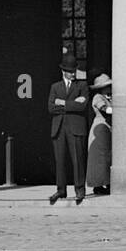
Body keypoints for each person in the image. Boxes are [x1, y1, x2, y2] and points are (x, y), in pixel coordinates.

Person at [48, 51, 90, 205]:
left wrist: (63, 103)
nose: (73, 74)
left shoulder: (82, 85)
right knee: (60, 160)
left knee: (77, 159)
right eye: (70, 72)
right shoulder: (55, 87)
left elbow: (83, 106)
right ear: (63, 71)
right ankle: (61, 190)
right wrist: (72, 104)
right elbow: (51, 108)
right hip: (59, 128)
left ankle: (80, 190)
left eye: (74, 71)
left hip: (75, 128)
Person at [85, 73, 113, 196]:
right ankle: (98, 184)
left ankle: (107, 183)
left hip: (108, 129)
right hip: (100, 129)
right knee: (99, 158)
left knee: (107, 157)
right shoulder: (98, 97)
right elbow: (105, 109)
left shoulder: (110, 97)